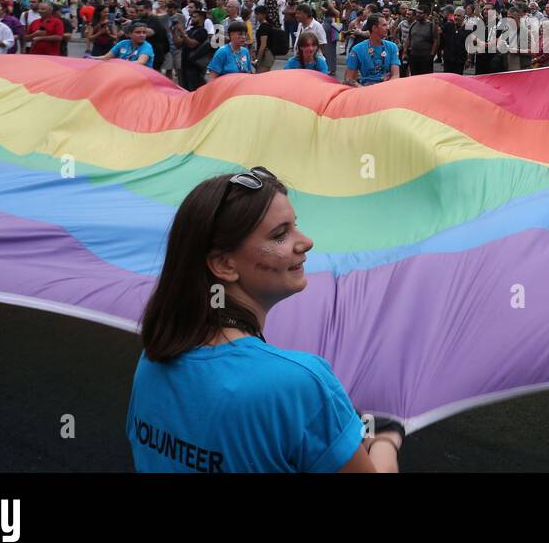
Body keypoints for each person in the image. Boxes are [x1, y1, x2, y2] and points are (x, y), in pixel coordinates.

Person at [127, 167, 401, 472]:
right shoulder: (301, 383)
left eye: (295, 226)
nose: (306, 241)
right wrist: (385, 438)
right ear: (224, 265)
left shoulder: (152, 360)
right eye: (280, 235)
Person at [345, 15, 400, 87]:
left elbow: (396, 75)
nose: (388, 28)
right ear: (374, 28)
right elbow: (349, 78)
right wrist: (363, 89)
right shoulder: (357, 49)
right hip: (366, 90)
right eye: (384, 25)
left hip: (387, 88)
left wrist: (384, 88)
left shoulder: (392, 47)